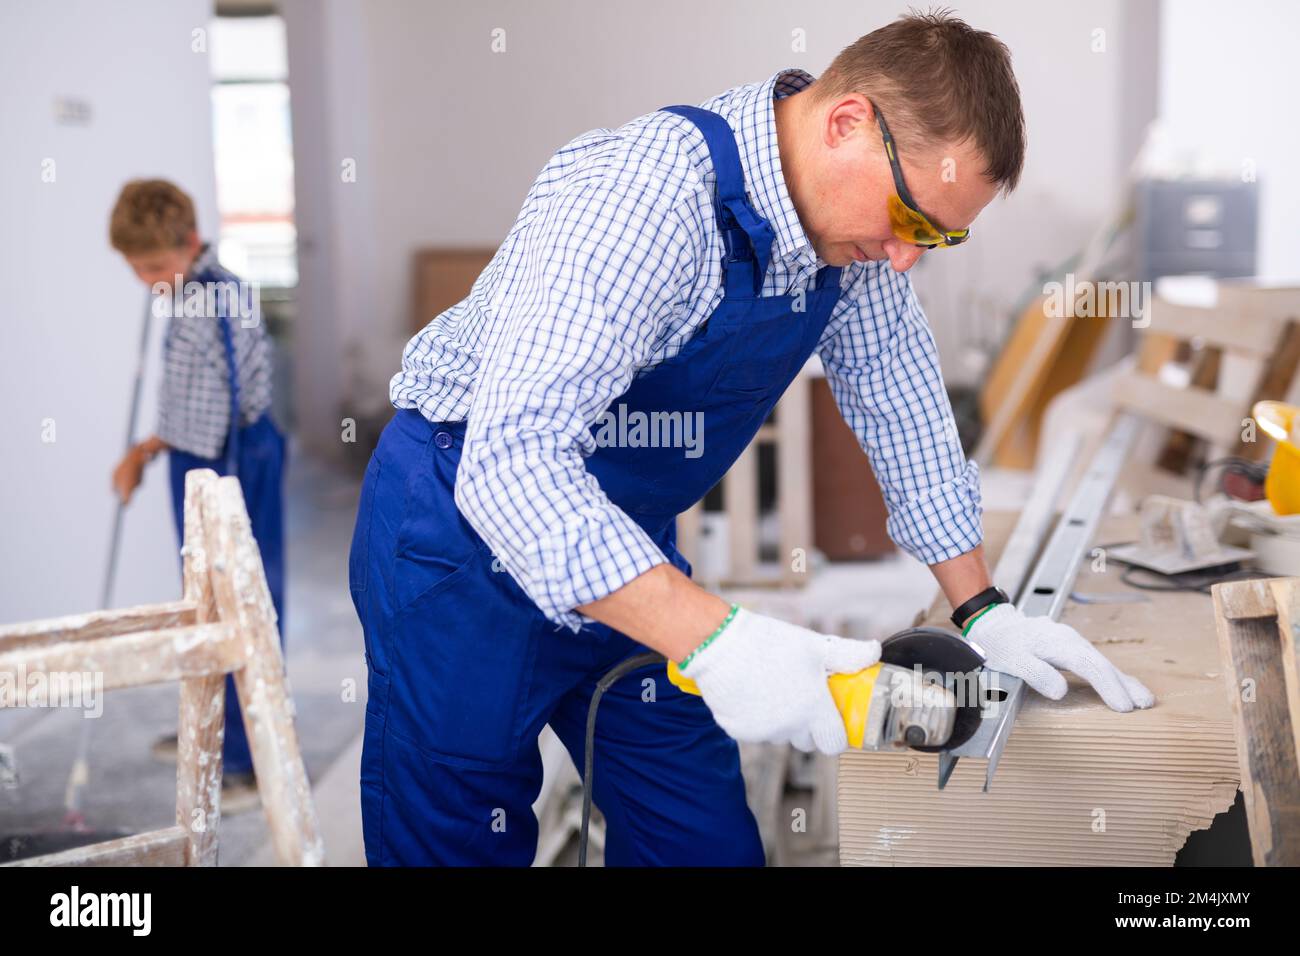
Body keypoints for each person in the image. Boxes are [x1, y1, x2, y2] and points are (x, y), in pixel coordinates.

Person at [350, 11, 1154, 866]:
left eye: (939, 237)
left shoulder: (846, 246)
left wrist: (982, 608)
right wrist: (717, 635)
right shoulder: (646, 200)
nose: (906, 256)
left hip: (620, 542)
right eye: (913, 219)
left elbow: (904, 406)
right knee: (459, 832)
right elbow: (511, 463)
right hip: (458, 538)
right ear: (848, 121)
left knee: (701, 841)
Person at [108, 179, 286, 811]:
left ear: (189, 242)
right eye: (136, 270)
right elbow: (192, 396)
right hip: (200, 452)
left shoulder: (216, 299)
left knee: (241, 600)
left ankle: (247, 756)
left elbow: (217, 414)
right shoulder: (186, 290)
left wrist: (147, 451)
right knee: (204, 599)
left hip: (232, 458)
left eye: (155, 266)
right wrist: (149, 449)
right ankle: (211, 735)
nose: (148, 280)